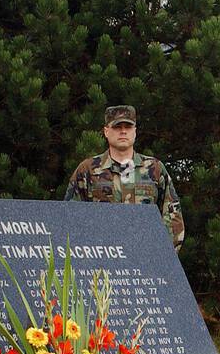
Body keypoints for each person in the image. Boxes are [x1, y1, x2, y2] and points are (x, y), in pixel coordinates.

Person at [62, 106, 185, 250]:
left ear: (135, 131)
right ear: (106, 131)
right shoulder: (88, 170)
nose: (123, 131)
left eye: (128, 126)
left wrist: (161, 257)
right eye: (117, 127)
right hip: (100, 260)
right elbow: (70, 217)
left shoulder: (154, 169)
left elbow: (173, 218)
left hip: (145, 259)